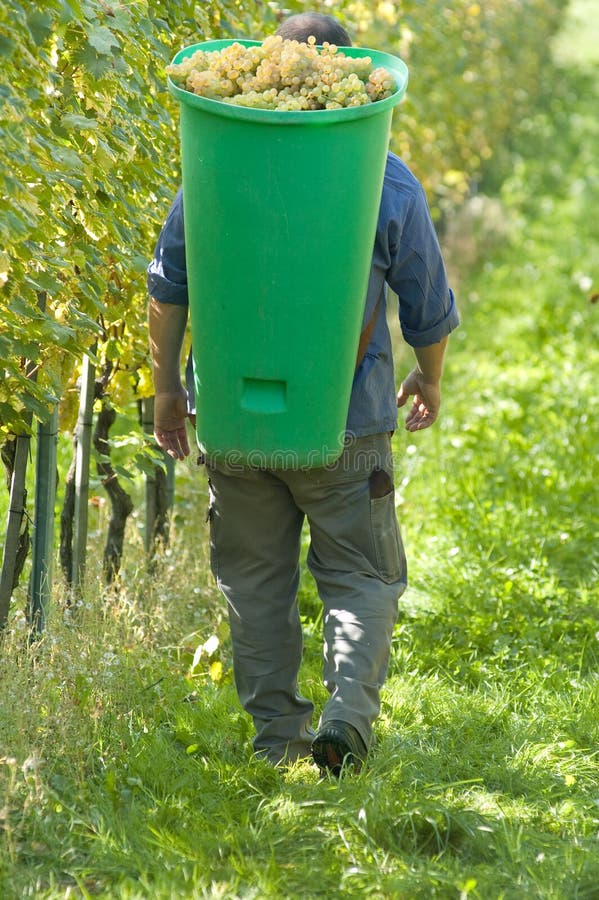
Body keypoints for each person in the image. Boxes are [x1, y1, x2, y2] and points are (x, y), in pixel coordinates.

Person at [148, 12, 459, 774]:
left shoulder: (215, 160)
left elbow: (168, 286)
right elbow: (425, 303)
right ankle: (344, 721)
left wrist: (166, 388)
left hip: (234, 423)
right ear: (351, 77)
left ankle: (276, 744)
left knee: (254, 582)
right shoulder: (384, 178)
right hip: (344, 423)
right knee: (362, 574)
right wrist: (429, 376)